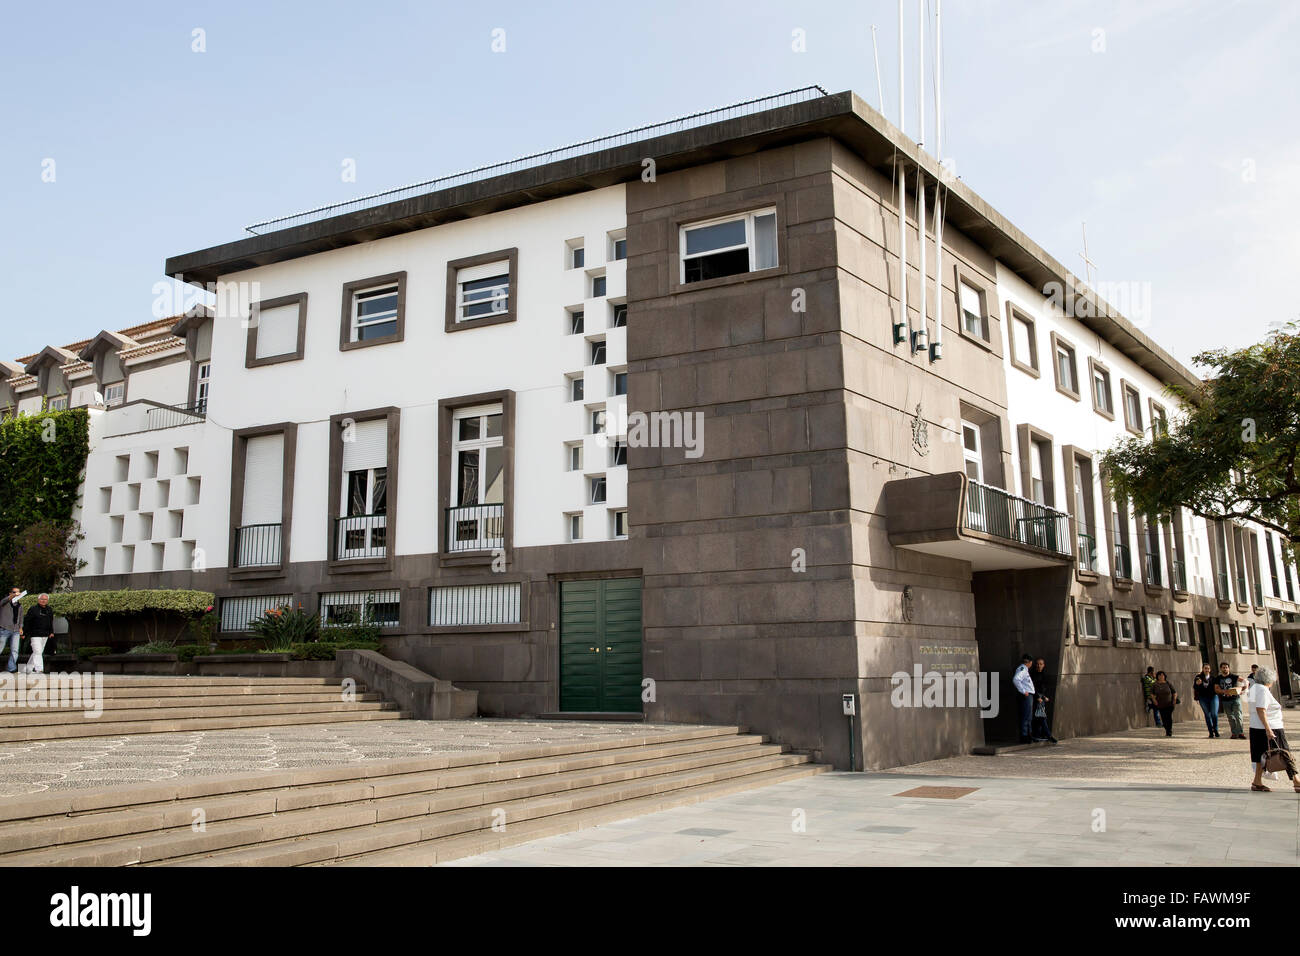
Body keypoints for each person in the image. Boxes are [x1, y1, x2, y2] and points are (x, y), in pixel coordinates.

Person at [1248, 666, 1299, 793]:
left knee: (1260, 755)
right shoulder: (1262, 690)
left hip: (1256, 727)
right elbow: (1261, 710)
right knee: (1285, 753)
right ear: (1268, 679)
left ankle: (1257, 782)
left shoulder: (1254, 688)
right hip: (1271, 727)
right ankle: (1296, 781)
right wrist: (1268, 729)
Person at [21, 593, 54, 675]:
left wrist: (51, 632)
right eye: (42, 599)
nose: (43, 601)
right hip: (35, 634)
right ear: (38, 600)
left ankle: (27, 669)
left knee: (37, 652)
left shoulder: (49, 609)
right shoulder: (33, 609)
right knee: (38, 651)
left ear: (47, 601)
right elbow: (27, 621)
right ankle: (39, 669)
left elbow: (51, 622)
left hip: (45, 634)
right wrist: (24, 633)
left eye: (45, 599)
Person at [1214, 662, 1247, 740]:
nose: (1225, 669)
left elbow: (1245, 681)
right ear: (1221, 669)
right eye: (1223, 667)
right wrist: (1224, 692)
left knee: (1238, 716)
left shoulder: (1233, 676)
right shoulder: (1218, 678)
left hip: (1235, 699)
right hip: (1225, 700)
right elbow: (1216, 689)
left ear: (1228, 668)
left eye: (1226, 667)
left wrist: (1241, 689)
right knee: (1230, 717)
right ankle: (1234, 733)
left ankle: (1240, 732)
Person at [1030, 657, 1057, 743]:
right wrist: (1037, 697)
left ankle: (1038, 735)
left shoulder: (1044, 675)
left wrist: (1044, 697)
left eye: (1041, 664)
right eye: (1037, 664)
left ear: (1043, 665)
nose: (1039, 666)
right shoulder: (1032, 675)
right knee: (1041, 717)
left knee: (1039, 717)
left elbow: (1044, 688)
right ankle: (1048, 735)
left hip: (1042, 699)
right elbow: (1032, 687)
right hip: (1036, 698)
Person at [1192, 663, 1219, 738]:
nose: (1207, 670)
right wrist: (1197, 684)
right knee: (1207, 715)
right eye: (1205, 668)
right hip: (1203, 698)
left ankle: (1216, 729)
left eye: (1208, 668)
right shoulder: (1198, 677)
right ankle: (1210, 731)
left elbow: (1217, 687)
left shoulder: (1213, 678)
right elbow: (1195, 687)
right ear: (1203, 669)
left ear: (1210, 670)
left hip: (1213, 697)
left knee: (1214, 714)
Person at [1012, 654, 1035, 744]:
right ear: (1029, 662)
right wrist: (1023, 691)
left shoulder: (1024, 669)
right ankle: (1025, 736)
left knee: (1028, 716)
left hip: (1028, 695)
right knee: (1026, 716)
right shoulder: (1023, 669)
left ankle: (1028, 735)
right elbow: (1016, 679)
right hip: (1026, 696)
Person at [1150, 671, 1178, 737]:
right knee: (1164, 717)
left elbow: (1174, 692)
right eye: (1159, 675)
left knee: (1168, 717)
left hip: (1169, 703)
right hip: (1160, 704)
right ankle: (1167, 729)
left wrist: (1174, 699)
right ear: (1157, 677)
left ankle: (1169, 731)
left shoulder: (1168, 683)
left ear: (1165, 676)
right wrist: (1154, 700)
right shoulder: (1155, 684)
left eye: (1162, 675)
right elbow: (1152, 694)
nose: (1161, 677)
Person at [0, 587, 22, 673]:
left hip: (15, 630)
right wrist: (13, 595)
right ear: (10, 593)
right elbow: (5, 600)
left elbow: (21, 618)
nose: (16, 594)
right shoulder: (4, 603)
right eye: (14, 592)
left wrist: (20, 627)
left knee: (15, 650)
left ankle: (11, 668)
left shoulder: (20, 605)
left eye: (18, 592)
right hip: (4, 629)